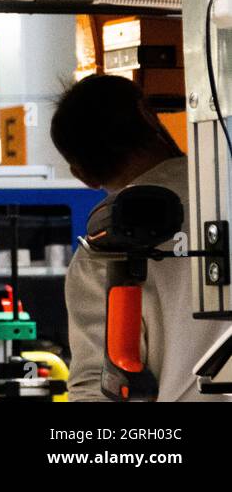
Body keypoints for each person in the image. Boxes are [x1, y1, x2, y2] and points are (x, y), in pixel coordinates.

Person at [51, 74, 228, 401]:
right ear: (147, 115)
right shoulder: (224, 194)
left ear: (83, 176)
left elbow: (98, 387)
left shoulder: (102, 250)